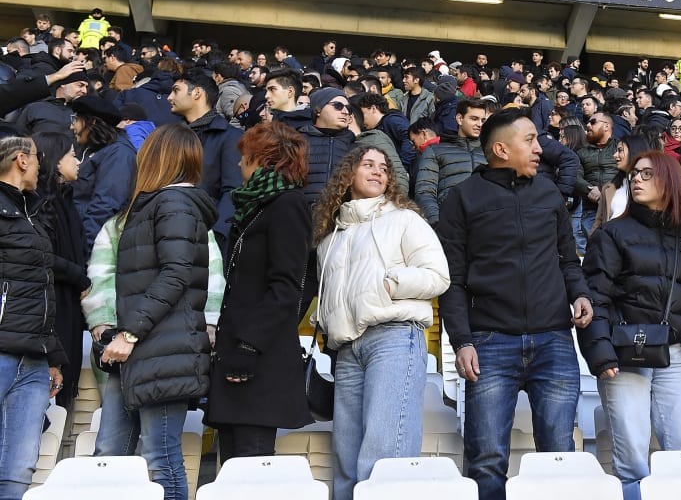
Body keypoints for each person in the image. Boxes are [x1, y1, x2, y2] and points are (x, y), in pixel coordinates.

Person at [437, 109, 593, 500]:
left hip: (554, 340)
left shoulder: (549, 193)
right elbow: (452, 279)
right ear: (501, 149)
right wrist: (462, 341)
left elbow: (566, 258)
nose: (540, 149)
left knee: (560, 456)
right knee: (486, 459)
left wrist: (580, 293)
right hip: (489, 342)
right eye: (531, 140)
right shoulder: (461, 198)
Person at [314, 146, 450, 500]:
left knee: (384, 455)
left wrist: (389, 283)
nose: (377, 172)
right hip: (347, 349)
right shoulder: (329, 240)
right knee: (346, 459)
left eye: (383, 168)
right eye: (368, 165)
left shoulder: (405, 219)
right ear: (348, 175)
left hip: (394, 337)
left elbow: (438, 276)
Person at [94, 124, 217, 500]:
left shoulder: (173, 204)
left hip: (160, 350)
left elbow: (176, 272)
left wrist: (128, 333)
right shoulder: (153, 206)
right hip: (141, 349)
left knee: (160, 460)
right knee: (110, 458)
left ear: (157, 157)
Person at [578, 151, 681, 500]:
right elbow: (595, 297)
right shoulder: (612, 234)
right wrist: (601, 354)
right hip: (624, 351)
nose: (636, 179)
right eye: (634, 174)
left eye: (647, 173)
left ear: (670, 180)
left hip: (675, 352)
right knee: (632, 458)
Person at [205, 123, 313, 460]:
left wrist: (250, 345)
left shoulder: (287, 205)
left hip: (258, 356)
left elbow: (287, 286)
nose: (239, 165)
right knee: (232, 466)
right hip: (234, 351)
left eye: (245, 157)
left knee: (250, 468)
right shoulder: (254, 207)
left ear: (263, 159)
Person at [0, 135, 67, 500]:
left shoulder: (31, 211)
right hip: (3, 349)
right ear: (21, 160)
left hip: (34, 357)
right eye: (38, 160)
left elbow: (39, 291)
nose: (42, 166)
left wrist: (52, 354)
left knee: (20, 468)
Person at [30, 132, 90, 409]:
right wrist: (80, 278)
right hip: (51, 302)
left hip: (69, 300)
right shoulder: (39, 202)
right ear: (54, 160)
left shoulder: (66, 200)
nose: (78, 161)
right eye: (72, 155)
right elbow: (43, 255)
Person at [169, 73, 242, 248]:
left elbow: (233, 189)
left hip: (205, 235)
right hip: (167, 227)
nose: (169, 97)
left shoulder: (229, 137)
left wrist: (217, 234)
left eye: (176, 90)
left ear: (197, 93)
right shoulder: (169, 135)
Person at [70, 96, 137, 249]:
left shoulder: (118, 154)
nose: (72, 127)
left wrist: (83, 248)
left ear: (92, 122)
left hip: (91, 245)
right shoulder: (93, 148)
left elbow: (105, 205)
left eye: (75, 120)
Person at [414, 97, 488, 225]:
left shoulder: (489, 152)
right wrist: (437, 223)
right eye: (474, 119)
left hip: (486, 225)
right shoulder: (436, 150)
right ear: (459, 119)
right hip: (451, 225)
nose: (480, 124)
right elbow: (425, 191)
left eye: (483, 120)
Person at [574, 112, 618, 253]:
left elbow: (628, 172)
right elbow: (574, 177)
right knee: (594, 252)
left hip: (618, 208)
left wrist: (604, 191)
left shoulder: (621, 148)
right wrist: (591, 191)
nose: (587, 125)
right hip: (591, 209)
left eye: (593, 122)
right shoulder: (581, 153)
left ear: (606, 126)